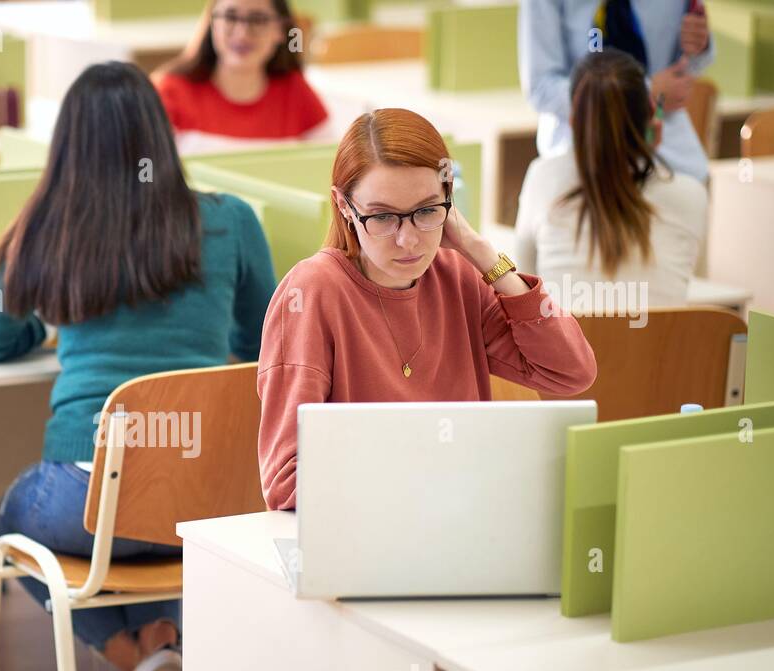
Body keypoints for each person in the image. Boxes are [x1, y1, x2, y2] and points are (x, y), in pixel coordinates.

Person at [0, 62, 277, 671]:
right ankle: (159, 656)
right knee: (143, 524)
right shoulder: (230, 221)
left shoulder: (50, 233)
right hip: (205, 504)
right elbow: (268, 348)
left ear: (65, 151)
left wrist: (28, 233)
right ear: (161, 139)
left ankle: (135, 657)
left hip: (86, 505)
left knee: (8, 522)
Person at [257, 108, 598, 511]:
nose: (409, 241)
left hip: (461, 522)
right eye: (382, 216)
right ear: (345, 206)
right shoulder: (312, 293)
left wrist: (483, 254)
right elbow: (286, 482)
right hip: (370, 534)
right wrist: (433, 486)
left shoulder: (459, 276)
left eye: (426, 211)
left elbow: (571, 372)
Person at [516, 50, 708, 307]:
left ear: (573, 121)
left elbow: (524, 289)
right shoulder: (692, 195)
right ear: (652, 117)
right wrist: (646, 148)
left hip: (566, 347)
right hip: (657, 347)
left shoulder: (544, 178)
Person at [520, 0, 713, 182]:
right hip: (581, 146)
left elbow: (690, 65)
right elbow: (540, 87)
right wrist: (644, 92)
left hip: (665, 148)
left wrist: (699, 45)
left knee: (694, 193)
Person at [153, 0, 331, 154]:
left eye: (258, 19)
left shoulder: (297, 92)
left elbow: (331, 170)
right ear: (212, 23)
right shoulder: (169, 92)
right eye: (230, 17)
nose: (243, 33)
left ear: (281, 30)